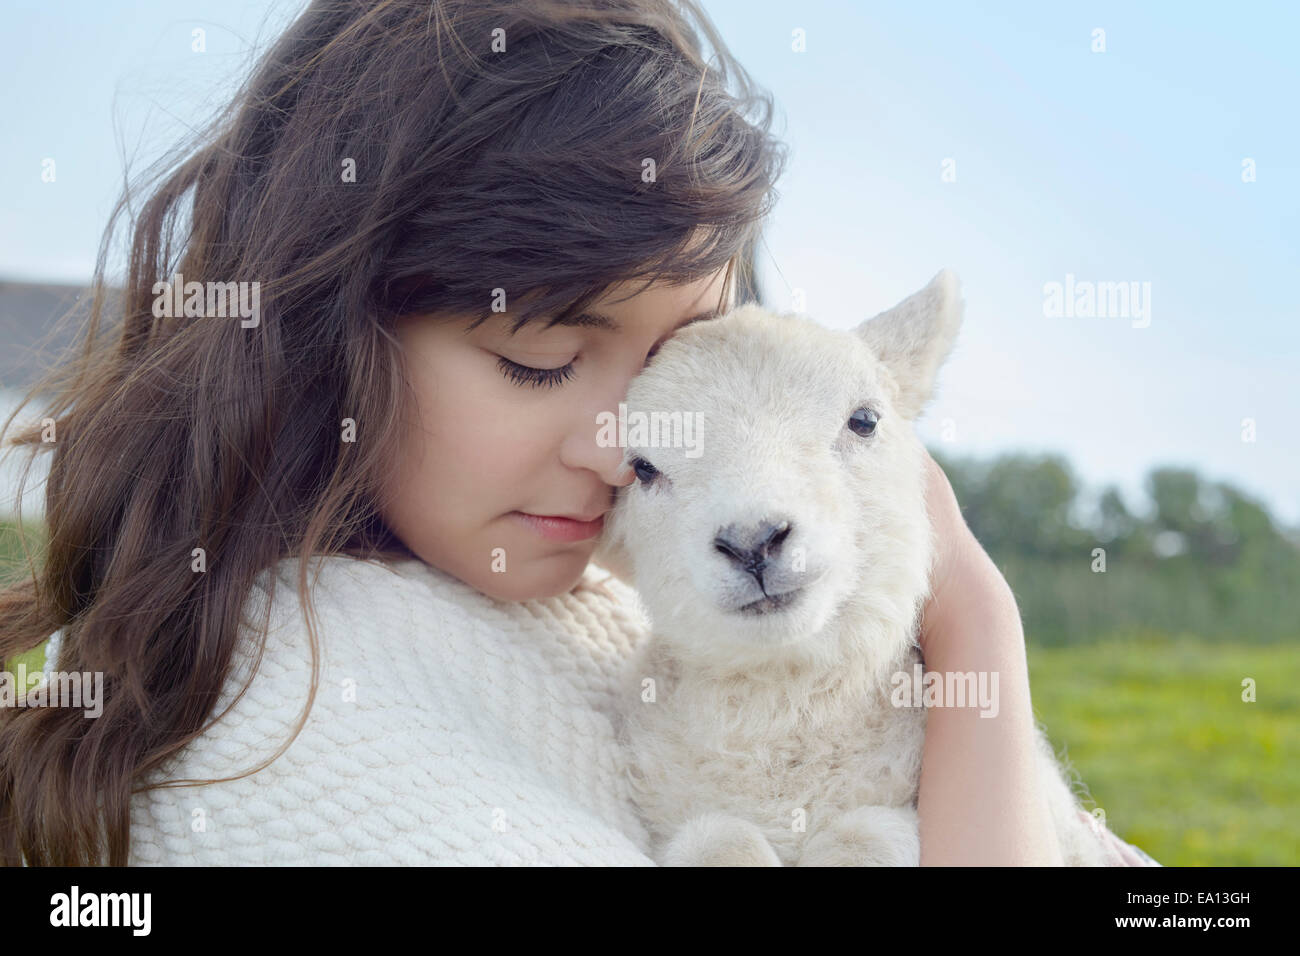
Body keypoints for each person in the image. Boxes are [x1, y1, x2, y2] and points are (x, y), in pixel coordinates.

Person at [0, 0, 1157, 866]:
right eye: (540, 359)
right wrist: (976, 626)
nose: (623, 449)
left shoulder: (601, 603)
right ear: (327, 336)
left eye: (670, 362)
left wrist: (959, 617)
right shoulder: (286, 708)